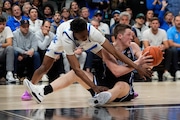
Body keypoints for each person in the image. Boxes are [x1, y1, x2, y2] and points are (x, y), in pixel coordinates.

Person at [22, 18, 152, 101]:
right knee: (44, 67)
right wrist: (94, 87)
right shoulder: (67, 38)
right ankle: (31, 90)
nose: (85, 37)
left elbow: (114, 52)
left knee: (110, 57)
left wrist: (137, 67)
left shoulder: (92, 33)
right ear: (75, 33)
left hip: (91, 43)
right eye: (82, 36)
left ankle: (121, 90)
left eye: (86, 34)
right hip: (61, 40)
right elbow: (77, 69)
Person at [0, 16, 16, 82]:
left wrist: (0, 45)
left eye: (3, 24)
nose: (2, 26)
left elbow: (9, 43)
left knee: (10, 48)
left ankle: (9, 73)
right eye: (0, 24)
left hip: (3, 52)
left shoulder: (7, 29)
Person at [167, 15, 180, 80]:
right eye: (177, 21)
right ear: (174, 22)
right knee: (173, 50)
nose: (179, 22)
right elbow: (170, 43)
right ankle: (177, 71)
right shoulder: (170, 30)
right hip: (175, 49)